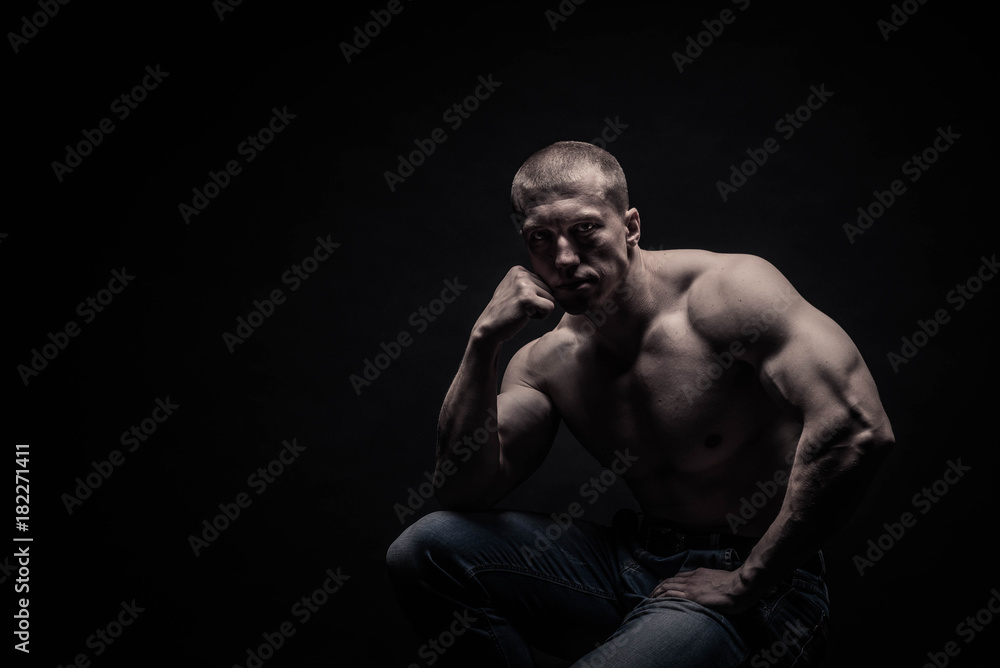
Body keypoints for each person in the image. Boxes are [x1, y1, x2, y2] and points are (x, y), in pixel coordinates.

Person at [386, 140, 894, 666]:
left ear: (629, 226)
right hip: (635, 564)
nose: (564, 257)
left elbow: (857, 428)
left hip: (759, 584)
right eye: (542, 238)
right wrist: (483, 342)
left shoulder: (727, 294)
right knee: (426, 549)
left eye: (585, 229)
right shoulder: (547, 361)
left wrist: (751, 578)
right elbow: (462, 489)